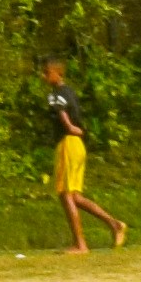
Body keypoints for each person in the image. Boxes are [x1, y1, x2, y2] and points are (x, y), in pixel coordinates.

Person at [37, 60, 130, 253]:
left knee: (65, 195)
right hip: (78, 145)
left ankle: (80, 244)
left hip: (67, 143)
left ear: (58, 73)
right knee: (75, 197)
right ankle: (115, 224)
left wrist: (69, 127)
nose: (43, 76)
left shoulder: (55, 94)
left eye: (47, 73)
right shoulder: (70, 91)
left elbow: (60, 111)